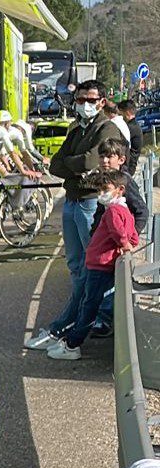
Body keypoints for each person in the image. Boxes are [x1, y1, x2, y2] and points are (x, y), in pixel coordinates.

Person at [27, 80, 123, 350]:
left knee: (94, 266)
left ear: (102, 102)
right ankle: (82, 315)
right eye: (80, 100)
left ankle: (94, 318)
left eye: (90, 100)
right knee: (76, 264)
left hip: (90, 201)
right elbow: (56, 164)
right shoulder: (78, 128)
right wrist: (74, 165)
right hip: (72, 200)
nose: (84, 105)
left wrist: (72, 163)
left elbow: (90, 161)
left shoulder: (107, 128)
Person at [43, 169, 140, 360]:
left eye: (106, 189)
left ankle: (73, 344)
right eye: (100, 190)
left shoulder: (113, 211)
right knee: (90, 303)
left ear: (120, 190)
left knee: (89, 305)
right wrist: (128, 244)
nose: (101, 194)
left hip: (99, 265)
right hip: (103, 264)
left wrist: (124, 244)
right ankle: (72, 340)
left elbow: (118, 233)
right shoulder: (126, 211)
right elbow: (133, 236)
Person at [86, 137, 147, 338]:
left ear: (120, 159)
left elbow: (141, 211)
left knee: (109, 286)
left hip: (116, 245)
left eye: (109, 157)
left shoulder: (122, 182)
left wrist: (129, 238)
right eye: (101, 156)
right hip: (104, 243)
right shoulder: (106, 180)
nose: (104, 161)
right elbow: (100, 214)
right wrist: (94, 234)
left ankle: (103, 321)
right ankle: (97, 319)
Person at [119, 98, 143, 174]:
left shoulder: (131, 127)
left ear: (127, 112)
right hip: (128, 164)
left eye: (120, 113)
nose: (120, 117)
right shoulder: (133, 125)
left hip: (128, 166)